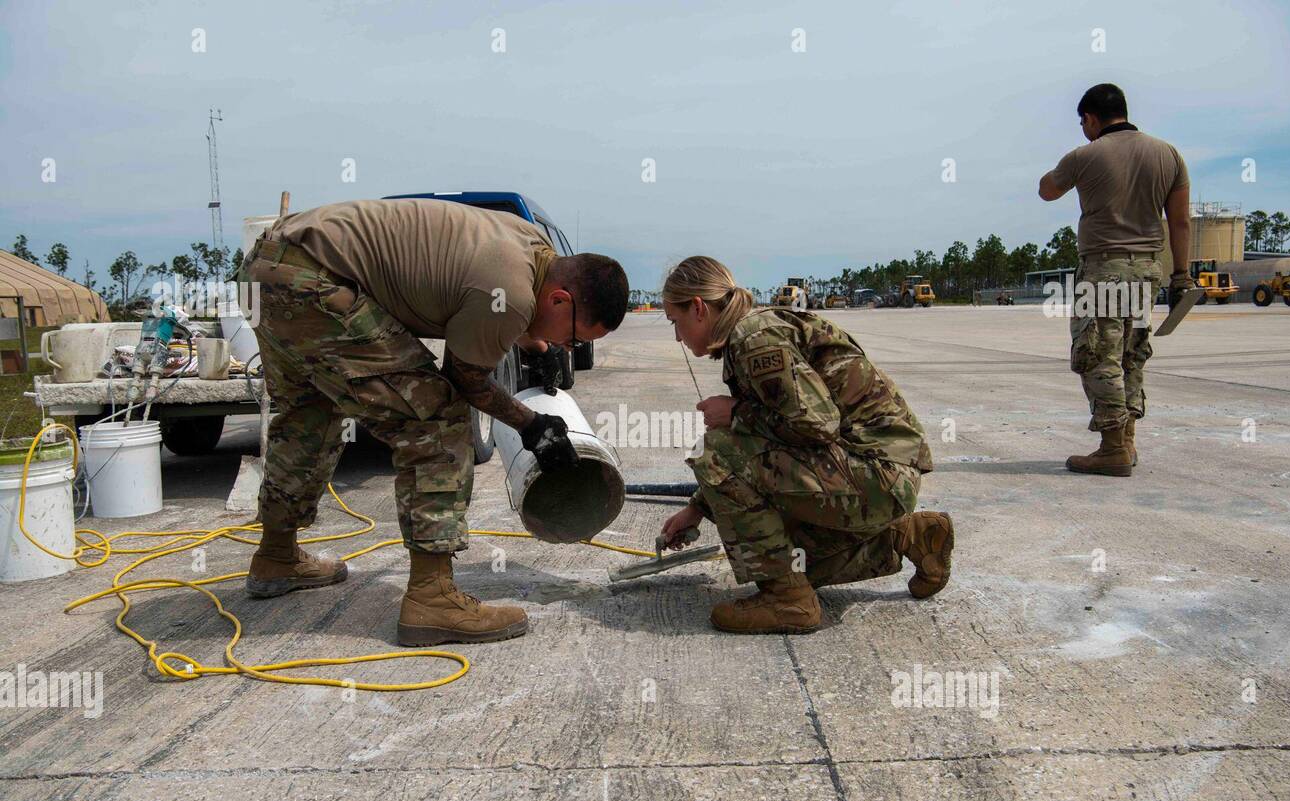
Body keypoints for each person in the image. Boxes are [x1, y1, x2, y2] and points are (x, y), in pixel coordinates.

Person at [239, 199, 628, 644]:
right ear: (559, 299)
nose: (567, 345)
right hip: (313, 284)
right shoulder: (511, 291)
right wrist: (531, 424)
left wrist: (538, 347)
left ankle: (276, 556)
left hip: (267, 270)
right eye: (573, 337)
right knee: (437, 420)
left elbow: (488, 295)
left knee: (309, 412)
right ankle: (432, 598)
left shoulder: (530, 248)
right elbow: (465, 379)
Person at [658, 256, 953, 634]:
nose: (677, 337)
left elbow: (817, 424)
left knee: (713, 449)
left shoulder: (754, 338)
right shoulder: (752, 333)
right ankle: (910, 536)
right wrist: (697, 509)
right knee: (788, 557)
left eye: (675, 322)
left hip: (877, 473)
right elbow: (780, 436)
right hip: (879, 474)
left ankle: (788, 601)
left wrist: (736, 414)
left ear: (697, 308)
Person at [1038, 83, 1192, 476]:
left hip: (1103, 271)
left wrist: (1068, 168)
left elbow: (1047, 191)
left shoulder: (1085, 155)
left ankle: (1111, 447)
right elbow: (1180, 221)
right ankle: (1128, 442)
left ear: (1091, 119)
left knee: (1097, 355)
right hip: (1146, 272)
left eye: (1082, 122)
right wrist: (1181, 277)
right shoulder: (1168, 154)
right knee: (1131, 354)